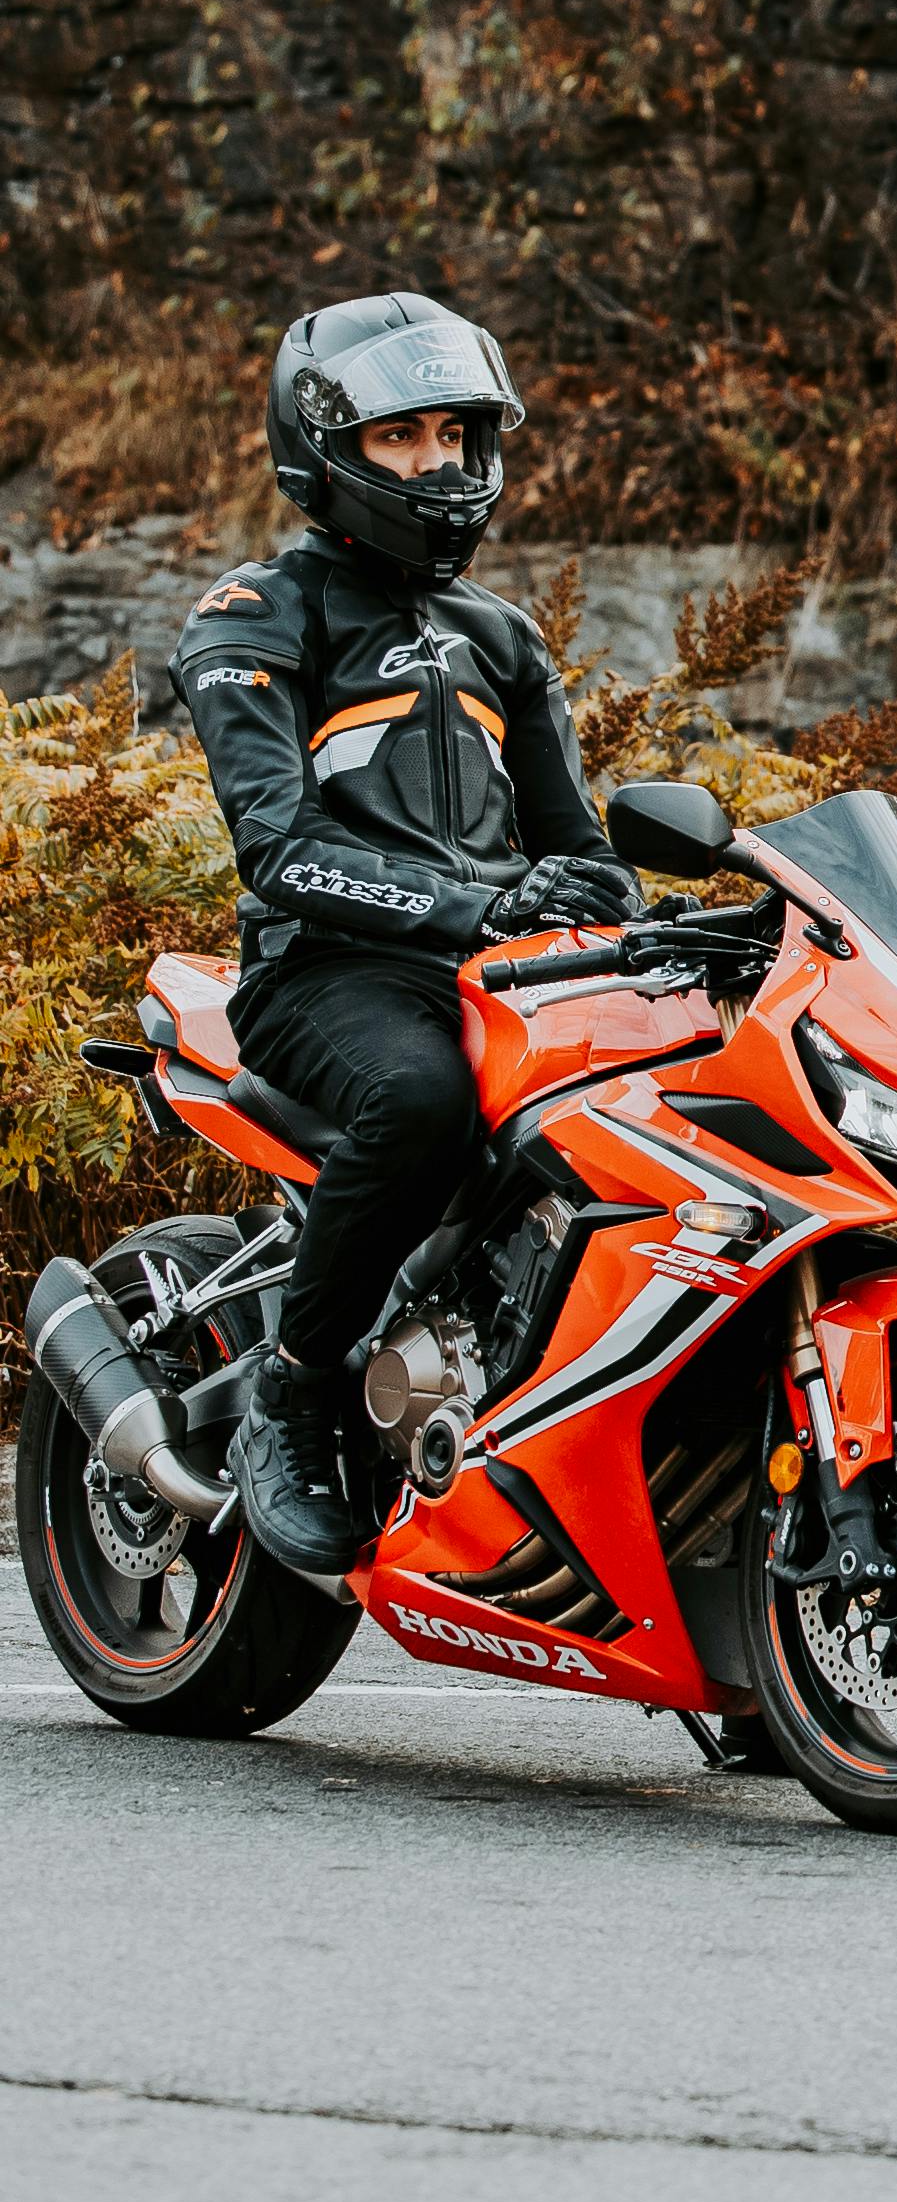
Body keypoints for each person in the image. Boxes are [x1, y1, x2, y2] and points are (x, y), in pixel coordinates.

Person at [174, 294, 634, 1582]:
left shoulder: (503, 637)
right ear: (326, 448)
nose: (439, 462)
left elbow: (579, 847)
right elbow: (277, 850)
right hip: (324, 974)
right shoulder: (256, 616)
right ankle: (297, 1386)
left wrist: (652, 921)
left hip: (495, 976)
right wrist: (478, 905)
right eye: (402, 437)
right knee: (424, 1097)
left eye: (455, 433)